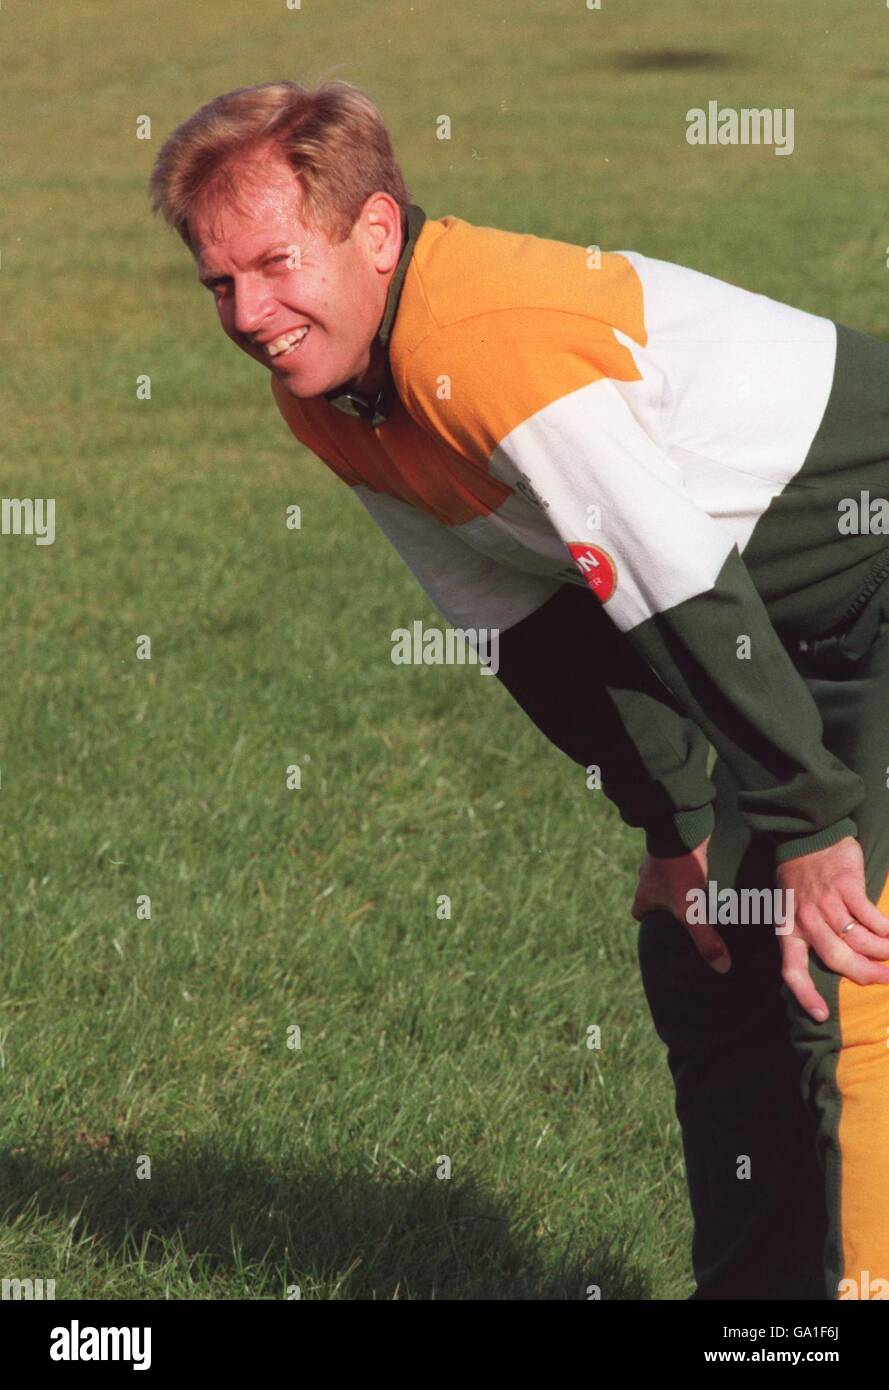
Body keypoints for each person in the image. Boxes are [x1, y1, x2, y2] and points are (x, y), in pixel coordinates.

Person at [148, 78, 889, 1300]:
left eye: (275, 264)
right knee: (702, 951)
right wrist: (674, 828)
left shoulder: (479, 339)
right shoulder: (329, 392)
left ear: (375, 231)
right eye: (219, 283)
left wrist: (810, 825)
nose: (250, 313)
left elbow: (675, 581)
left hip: (849, 598)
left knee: (846, 963)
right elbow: (522, 619)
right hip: (780, 631)